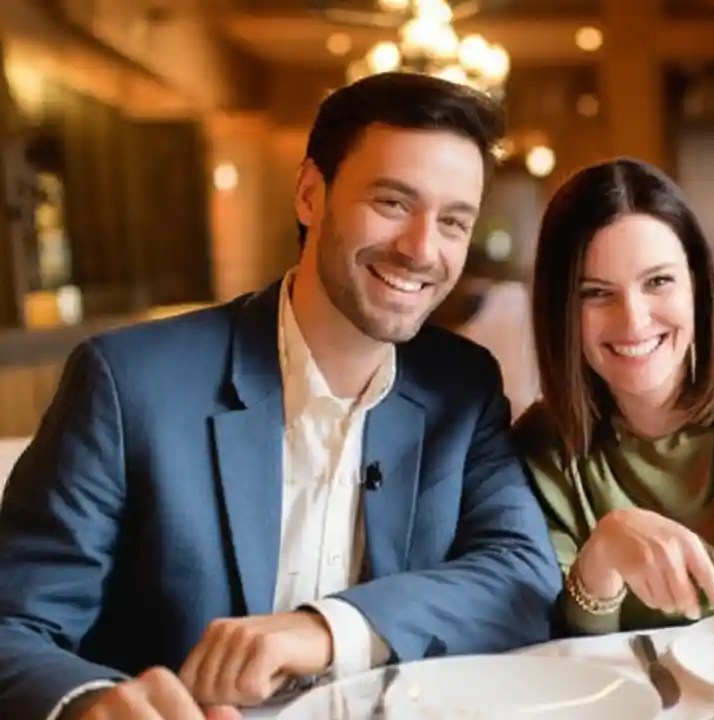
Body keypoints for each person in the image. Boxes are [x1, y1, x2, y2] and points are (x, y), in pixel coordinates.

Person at [0, 72, 561, 720]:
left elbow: (521, 577)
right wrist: (90, 704)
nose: (421, 249)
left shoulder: (462, 386)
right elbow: (14, 625)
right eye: (392, 203)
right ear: (309, 195)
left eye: (454, 222)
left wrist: (324, 629)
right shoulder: (128, 384)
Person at [513, 157, 714, 637]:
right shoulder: (544, 449)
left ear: (698, 285)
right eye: (596, 293)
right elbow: (568, 656)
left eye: (658, 281)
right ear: (560, 312)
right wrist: (600, 555)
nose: (634, 321)